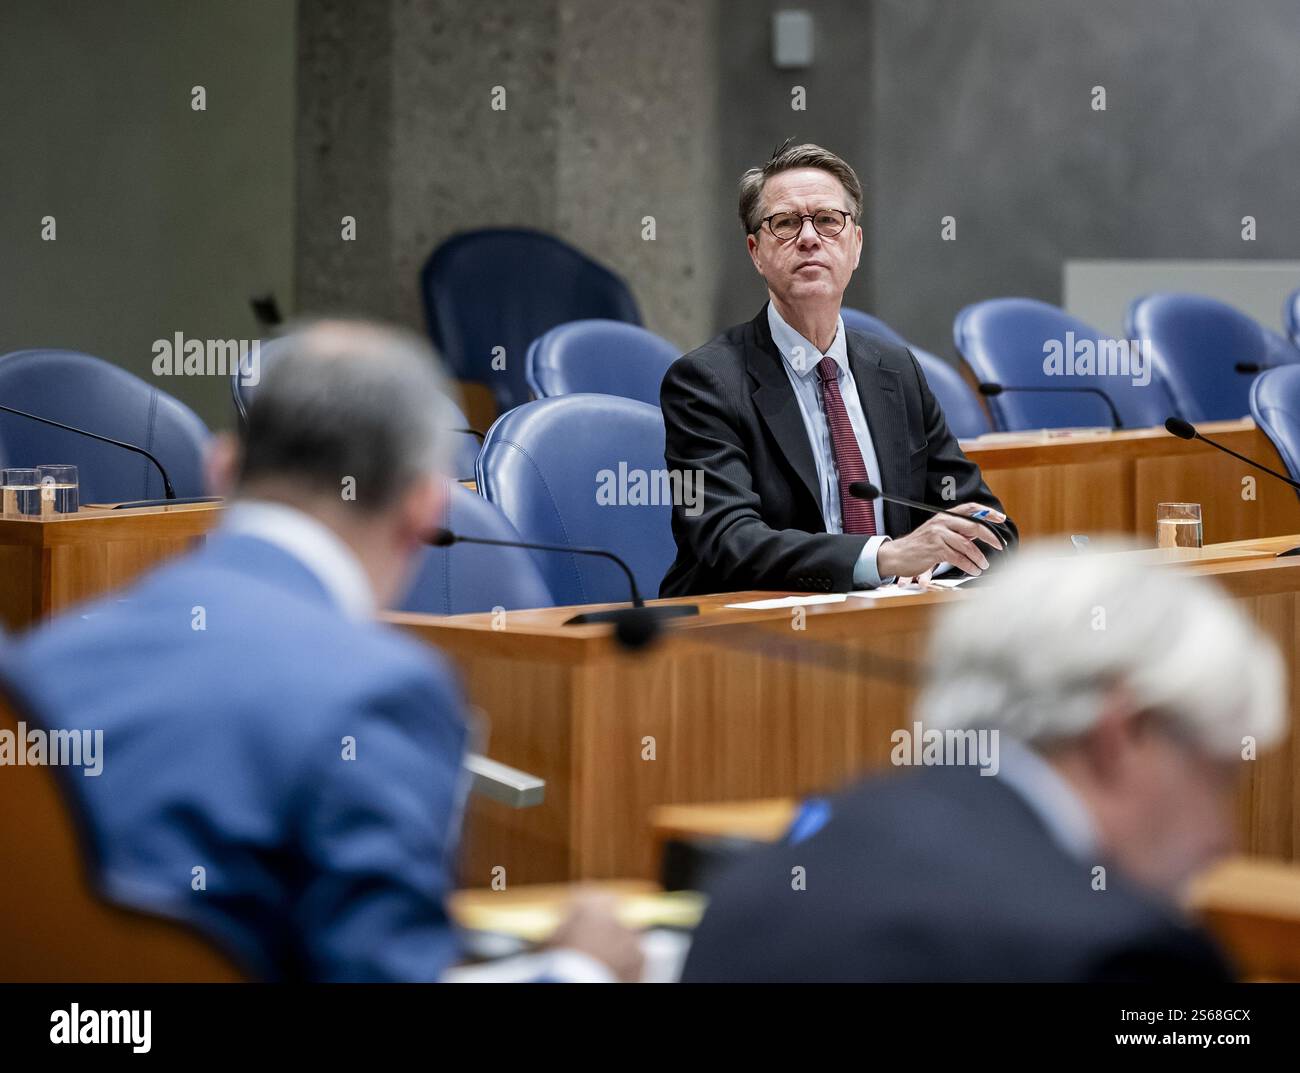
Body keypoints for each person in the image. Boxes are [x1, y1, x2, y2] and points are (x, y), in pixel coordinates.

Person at [13, 320, 641, 982]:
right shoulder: (380, 688)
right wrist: (577, 969)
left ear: (221, 468)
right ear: (426, 507)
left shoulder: (47, 660)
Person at [682, 543, 1284, 981]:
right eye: (1218, 776)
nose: (1222, 840)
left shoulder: (756, 887)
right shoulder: (1126, 955)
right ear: (1122, 735)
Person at [660, 140, 1014, 597]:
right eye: (785, 224)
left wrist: (936, 560)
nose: (809, 238)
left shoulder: (896, 370)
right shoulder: (703, 382)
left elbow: (986, 522)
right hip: (744, 641)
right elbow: (725, 539)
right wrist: (883, 558)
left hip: (885, 622)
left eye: (828, 221)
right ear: (756, 252)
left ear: (856, 244)